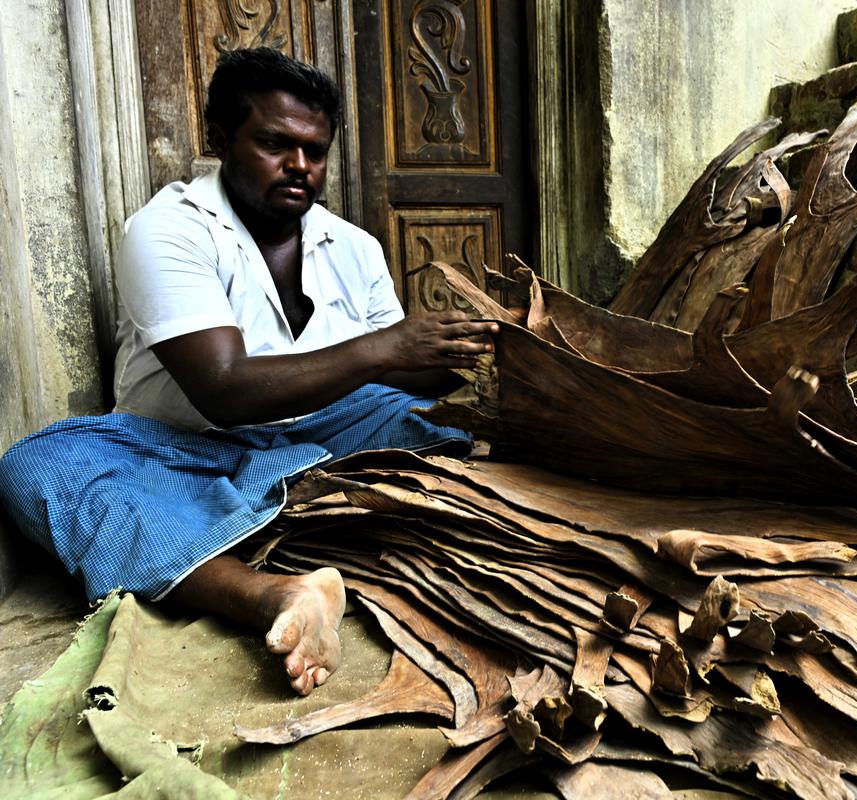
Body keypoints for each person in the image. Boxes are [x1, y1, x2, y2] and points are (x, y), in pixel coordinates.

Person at [0, 48, 499, 696]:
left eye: (315, 151)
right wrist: (386, 349)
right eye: (275, 144)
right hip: (185, 450)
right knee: (42, 464)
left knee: (453, 427)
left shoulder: (354, 247)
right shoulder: (167, 231)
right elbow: (223, 389)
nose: (300, 167)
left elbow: (402, 379)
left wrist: (478, 349)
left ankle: (287, 533)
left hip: (326, 432)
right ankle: (275, 595)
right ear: (219, 139)